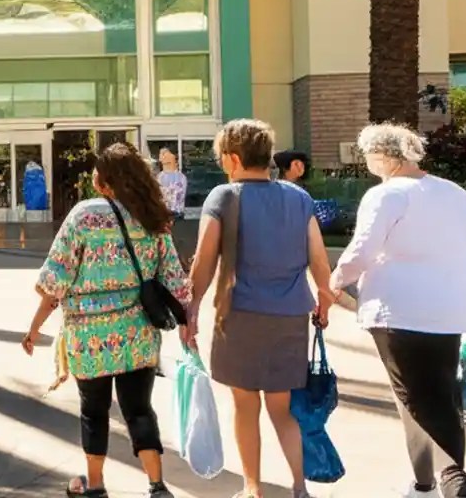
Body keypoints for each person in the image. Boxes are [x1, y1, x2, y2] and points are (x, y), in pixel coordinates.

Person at [330, 123, 466, 498]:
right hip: (452, 310)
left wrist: (335, 281)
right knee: (439, 391)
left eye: (368, 156)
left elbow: (361, 251)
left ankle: (450, 478)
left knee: (411, 396)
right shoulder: (454, 192)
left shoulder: (386, 195)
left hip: (398, 311)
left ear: (383, 155)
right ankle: (429, 482)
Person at [22, 143, 188, 498]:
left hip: (89, 336)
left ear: (103, 181)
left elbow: (53, 282)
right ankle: (157, 486)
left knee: (93, 411)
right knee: (139, 410)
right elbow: (175, 280)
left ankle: (94, 486)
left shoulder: (84, 215)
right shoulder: (151, 215)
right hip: (138, 332)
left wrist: (35, 327)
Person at [183, 119, 333, 498]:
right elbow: (318, 256)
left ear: (234, 158)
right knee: (282, 408)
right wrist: (325, 298)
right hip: (291, 317)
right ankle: (300, 488)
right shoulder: (298, 198)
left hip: (240, 317)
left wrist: (192, 309)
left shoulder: (223, 197)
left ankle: (252, 488)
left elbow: (205, 262)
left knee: (245, 405)